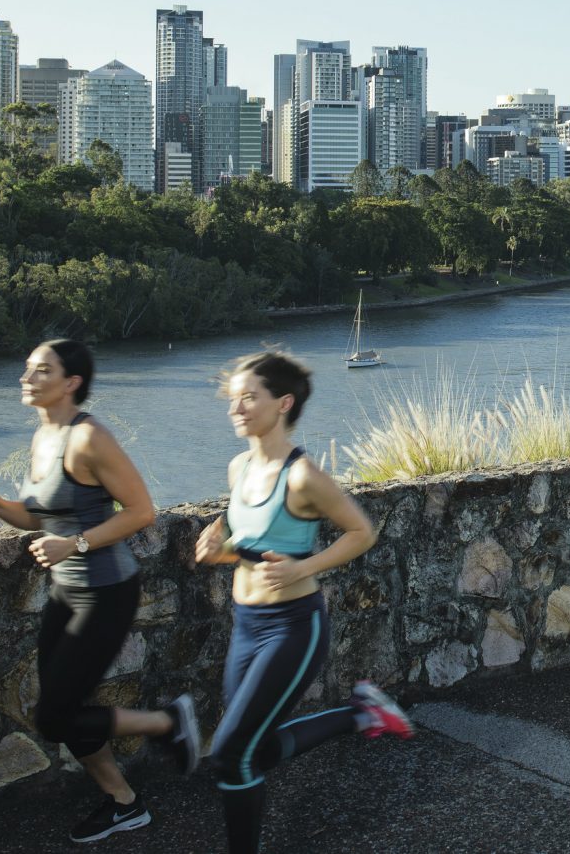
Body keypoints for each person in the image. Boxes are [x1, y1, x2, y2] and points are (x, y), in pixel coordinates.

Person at [0, 339, 201, 843]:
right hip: (66, 591)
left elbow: (141, 512)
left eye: (41, 370)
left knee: (56, 716)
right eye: (27, 368)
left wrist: (75, 543)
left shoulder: (89, 438)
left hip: (106, 591)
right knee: (59, 709)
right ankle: (123, 802)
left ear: (71, 382)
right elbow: (37, 515)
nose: (27, 377)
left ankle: (165, 722)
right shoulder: (44, 434)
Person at [194, 351, 413, 854]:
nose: (237, 407)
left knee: (231, 754)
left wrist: (303, 567)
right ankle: (361, 713)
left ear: (283, 403)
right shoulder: (238, 467)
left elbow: (362, 532)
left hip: (293, 627)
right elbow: (249, 547)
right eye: (234, 398)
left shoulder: (302, 475)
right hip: (246, 623)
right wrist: (218, 551)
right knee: (255, 746)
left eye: (250, 397)